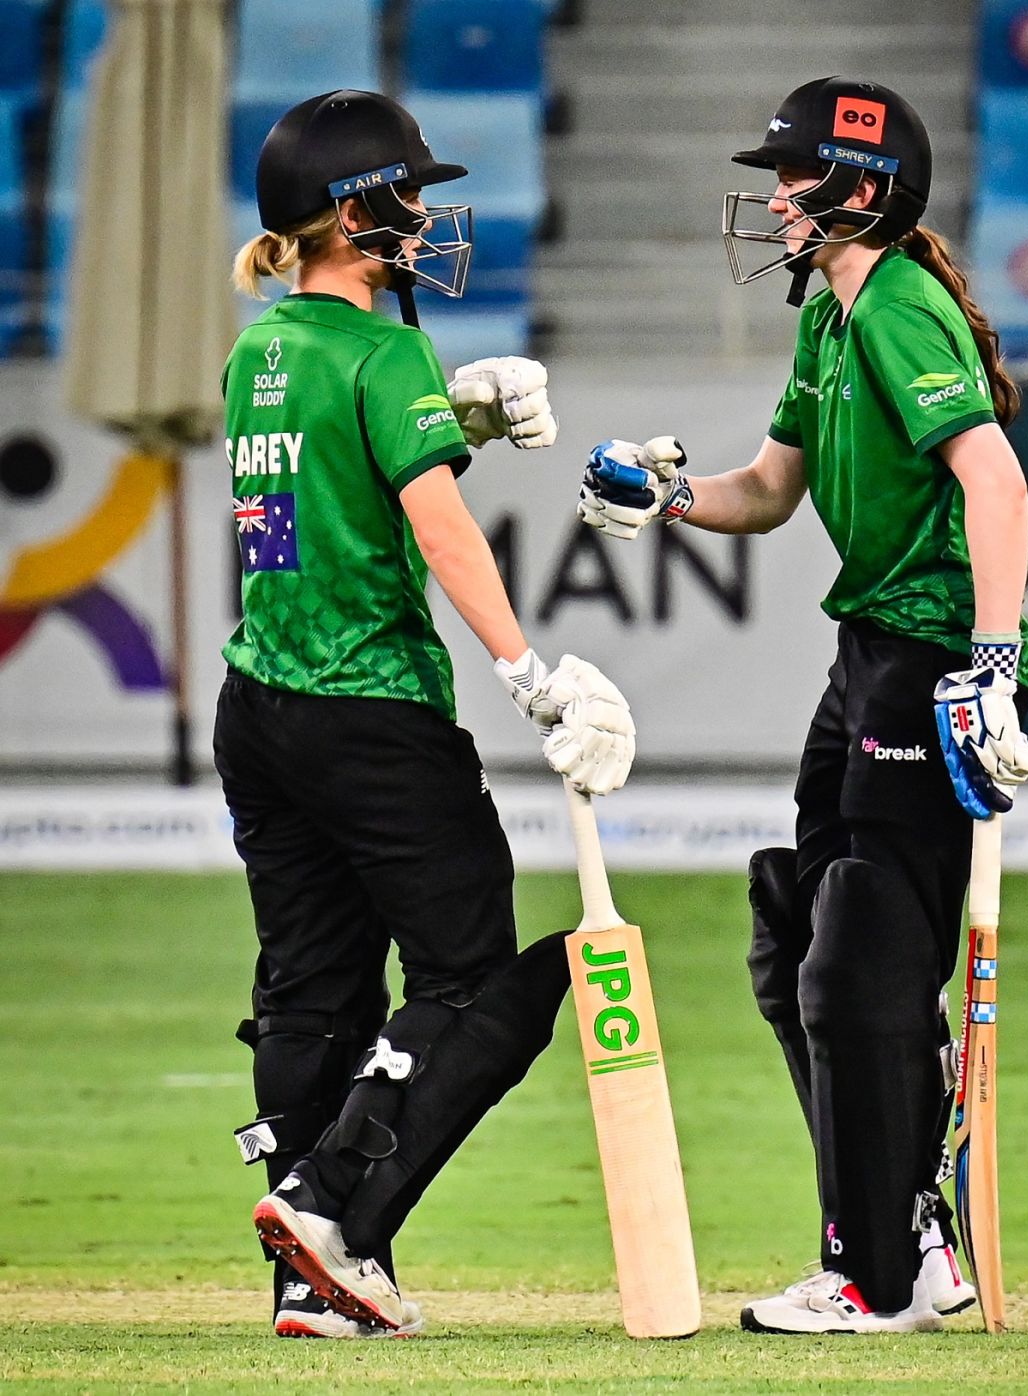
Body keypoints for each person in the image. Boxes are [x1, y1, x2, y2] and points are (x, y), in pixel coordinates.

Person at [577, 77, 1028, 1335]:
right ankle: (910, 1239)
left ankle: (875, 1280)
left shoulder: (895, 306)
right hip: (868, 655)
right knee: (794, 943)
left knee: (859, 971)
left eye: (795, 177)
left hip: (930, 657)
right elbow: (770, 491)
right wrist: (668, 498)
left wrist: (990, 661)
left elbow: (996, 484)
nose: (775, 197)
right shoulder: (829, 320)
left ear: (863, 191)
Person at [215, 89, 636, 1339]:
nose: (426, 218)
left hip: (263, 706)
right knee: (471, 987)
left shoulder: (261, 347)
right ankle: (334, 1205)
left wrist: (462, 421)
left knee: (310, 995)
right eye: (408, 196)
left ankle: (318, 1278)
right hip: (376, 714)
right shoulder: (386, 352)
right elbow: (435, 527)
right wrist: (528, 671)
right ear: (354, 213)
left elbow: (332, 484)